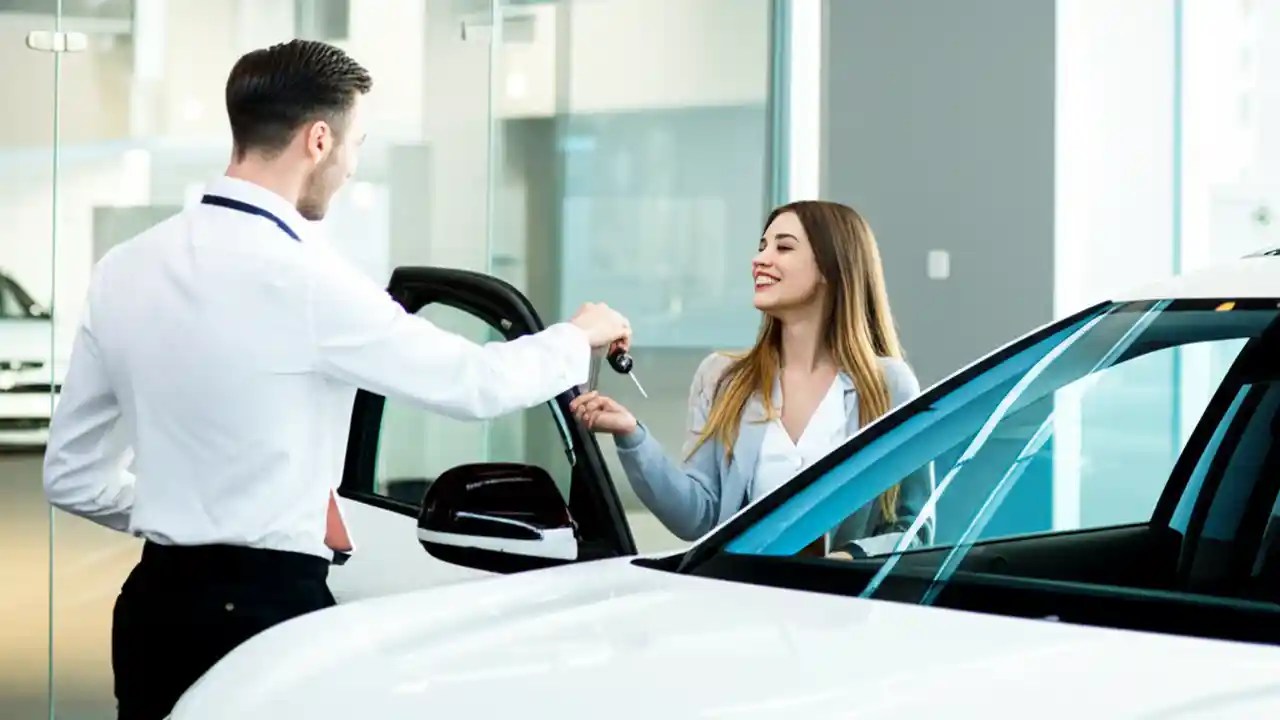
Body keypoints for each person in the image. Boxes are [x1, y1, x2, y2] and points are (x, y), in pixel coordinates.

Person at [42, 39, 632, 720]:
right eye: (355, 143)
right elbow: (476, 384)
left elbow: (71, 476)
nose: (351, 167)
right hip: (263, 617)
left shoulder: (125, 266)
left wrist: (187, 514)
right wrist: (577, 334)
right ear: (318, 139)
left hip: (155, 608)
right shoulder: (307, 281)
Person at [570, 200, 934, 557]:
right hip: (746, 598)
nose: (760, 259)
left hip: (845, 607)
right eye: (762, 247)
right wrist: (631, 434)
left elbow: (913, 528)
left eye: (783, 247)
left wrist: (849, 559)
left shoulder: (888, 384)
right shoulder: (722, 378)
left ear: (830, 267)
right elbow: (699, 517)